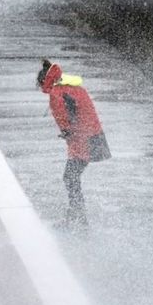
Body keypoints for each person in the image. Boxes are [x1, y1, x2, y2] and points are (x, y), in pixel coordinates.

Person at [37, 59, 111, 225]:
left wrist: (66, 133)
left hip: (82, 140)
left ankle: (78, 217)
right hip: (94, 135)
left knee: (70, 177)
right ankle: (77, 215)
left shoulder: (56, 94)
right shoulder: (75, 87)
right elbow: (80, 112)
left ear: (44, 81)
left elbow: (66, 120)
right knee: (72, 177)